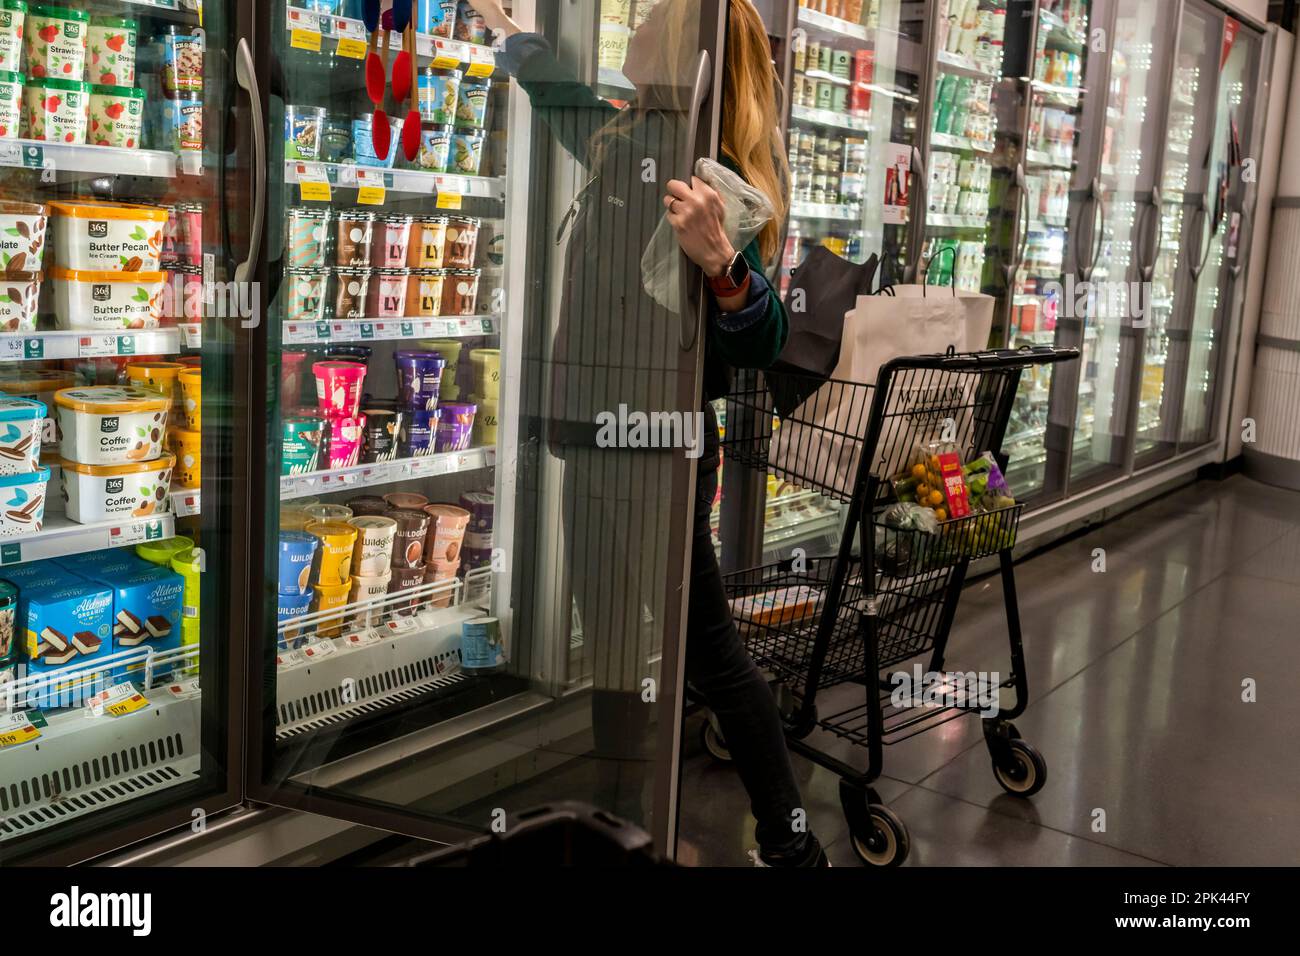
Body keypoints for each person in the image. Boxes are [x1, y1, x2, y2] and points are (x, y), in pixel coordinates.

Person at [478, 0, 827, 867]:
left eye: (648, 19)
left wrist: (725, 268)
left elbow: (765, 339)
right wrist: (511, 34)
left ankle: (791, 845)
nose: (630, 26)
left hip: (659, 450)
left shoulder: (708, 172)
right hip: (593, 436)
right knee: (615, 646)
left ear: (686, 50)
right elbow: (567, 108)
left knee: (708, 654)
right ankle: (619, 818)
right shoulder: (631, 138)